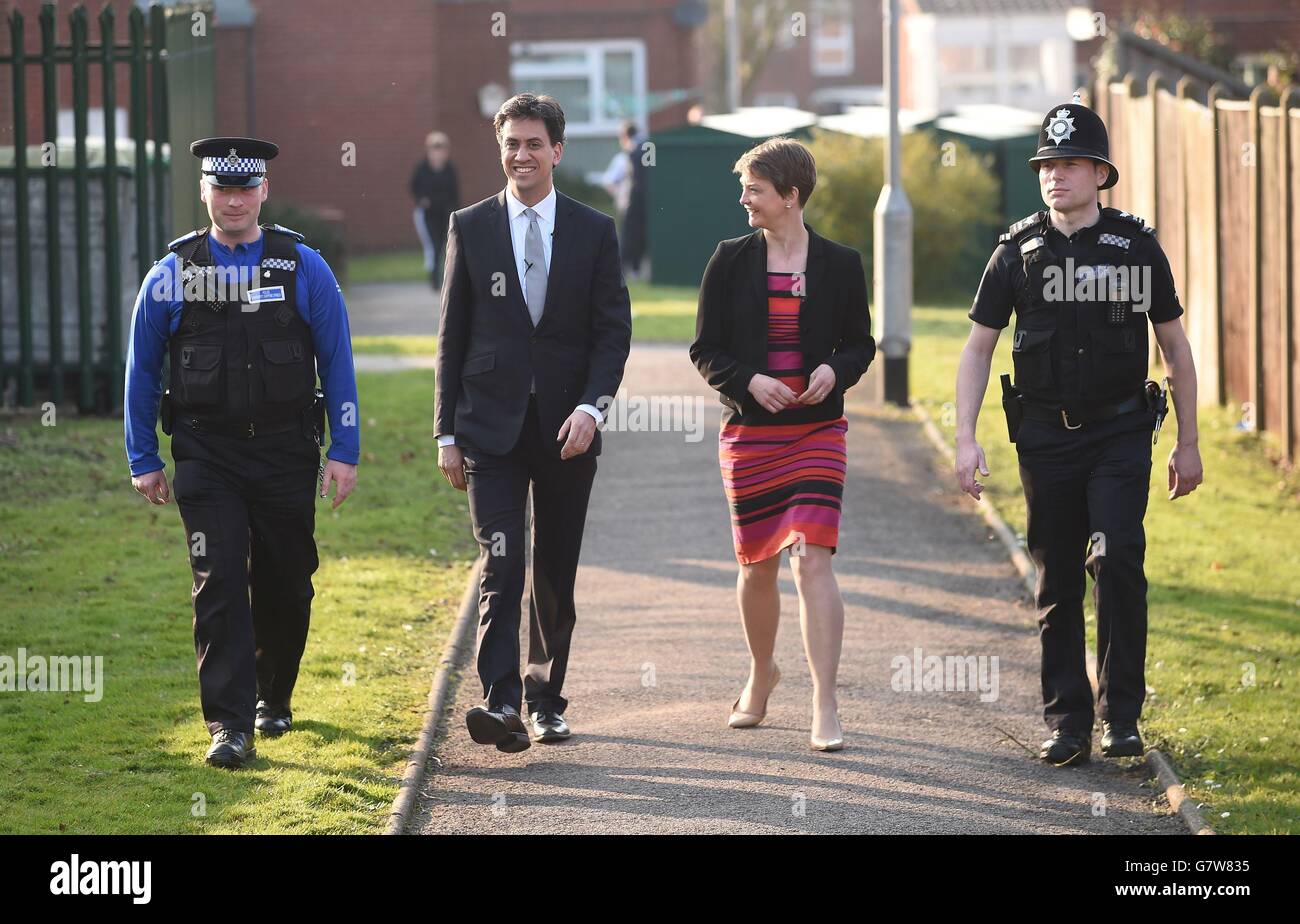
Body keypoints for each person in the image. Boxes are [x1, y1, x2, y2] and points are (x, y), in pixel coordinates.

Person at [954, 96, 1204, 767]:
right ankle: (1067, 722)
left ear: (1100, 173)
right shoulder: (1015, 253)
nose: (1054, 175)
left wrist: (1188, 441)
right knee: (1058, 574)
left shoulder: (1136, 247)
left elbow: (1175, 349)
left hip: (1120, 433)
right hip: (1044, 437)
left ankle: (1120, 715)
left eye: (1069, 163)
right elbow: (978, 348)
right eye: (1047, 164)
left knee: (1117, 557)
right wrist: (965, 438)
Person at [124, 137, 360, 769]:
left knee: (287, 579)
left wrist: (346, 449)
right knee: (220, 581)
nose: (233, 200)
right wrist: (143, 456)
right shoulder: (172, 272)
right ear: (204, 193)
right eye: (221, 189)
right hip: (207, 455)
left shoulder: (302, 266)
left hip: (286, 453)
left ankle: (273, 695)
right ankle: (229, 724)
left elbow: (336, 361)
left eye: (244, 189)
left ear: (263, 193)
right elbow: (142, 372)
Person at [435, 94, 632, 753]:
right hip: (486, 427)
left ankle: (546, 701)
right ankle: (502, 702)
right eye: (511, 144)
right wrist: (445, 433)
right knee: (501, 562)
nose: (521, 155)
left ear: (558, 151)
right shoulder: (472, 224)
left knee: (554, 570)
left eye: (533, 144)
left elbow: (612, 334)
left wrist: (590, 407)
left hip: (566, 430)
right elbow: (451, 334)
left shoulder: (593, 230)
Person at [690, 137, 875, 752]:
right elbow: (705, 349)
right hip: (751, 435)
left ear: (791, 196)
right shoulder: (728, 259)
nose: (745, 199)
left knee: (812, 558)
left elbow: (859, 343)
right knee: (759, 565)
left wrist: (835, 371)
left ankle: (825, 701)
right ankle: (761, 674)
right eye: (745, 189)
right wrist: (749, 381)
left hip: (819, 431)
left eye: (755, 190)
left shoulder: (842, 264)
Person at [410, 131, 460, 290]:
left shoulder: (450, 169)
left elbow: (455, 192)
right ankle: (434, 279)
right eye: (435, 149)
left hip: (445, 214)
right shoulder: (422, 168)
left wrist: (454, 211)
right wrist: (422, 200)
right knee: (434, 246)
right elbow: (414, 187)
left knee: (447, 246)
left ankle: (447, 278)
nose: (438, 153)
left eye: (441, 149)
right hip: (428, 215)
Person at [600, 120, 648, 281]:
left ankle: (628, 270)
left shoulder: (627, 156)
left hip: (630, 203)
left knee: (629, 238)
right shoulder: (642, 151)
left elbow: (608, 181)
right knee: (632, 238)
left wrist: (620, 195)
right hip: (636, 203)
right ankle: (631, 270)